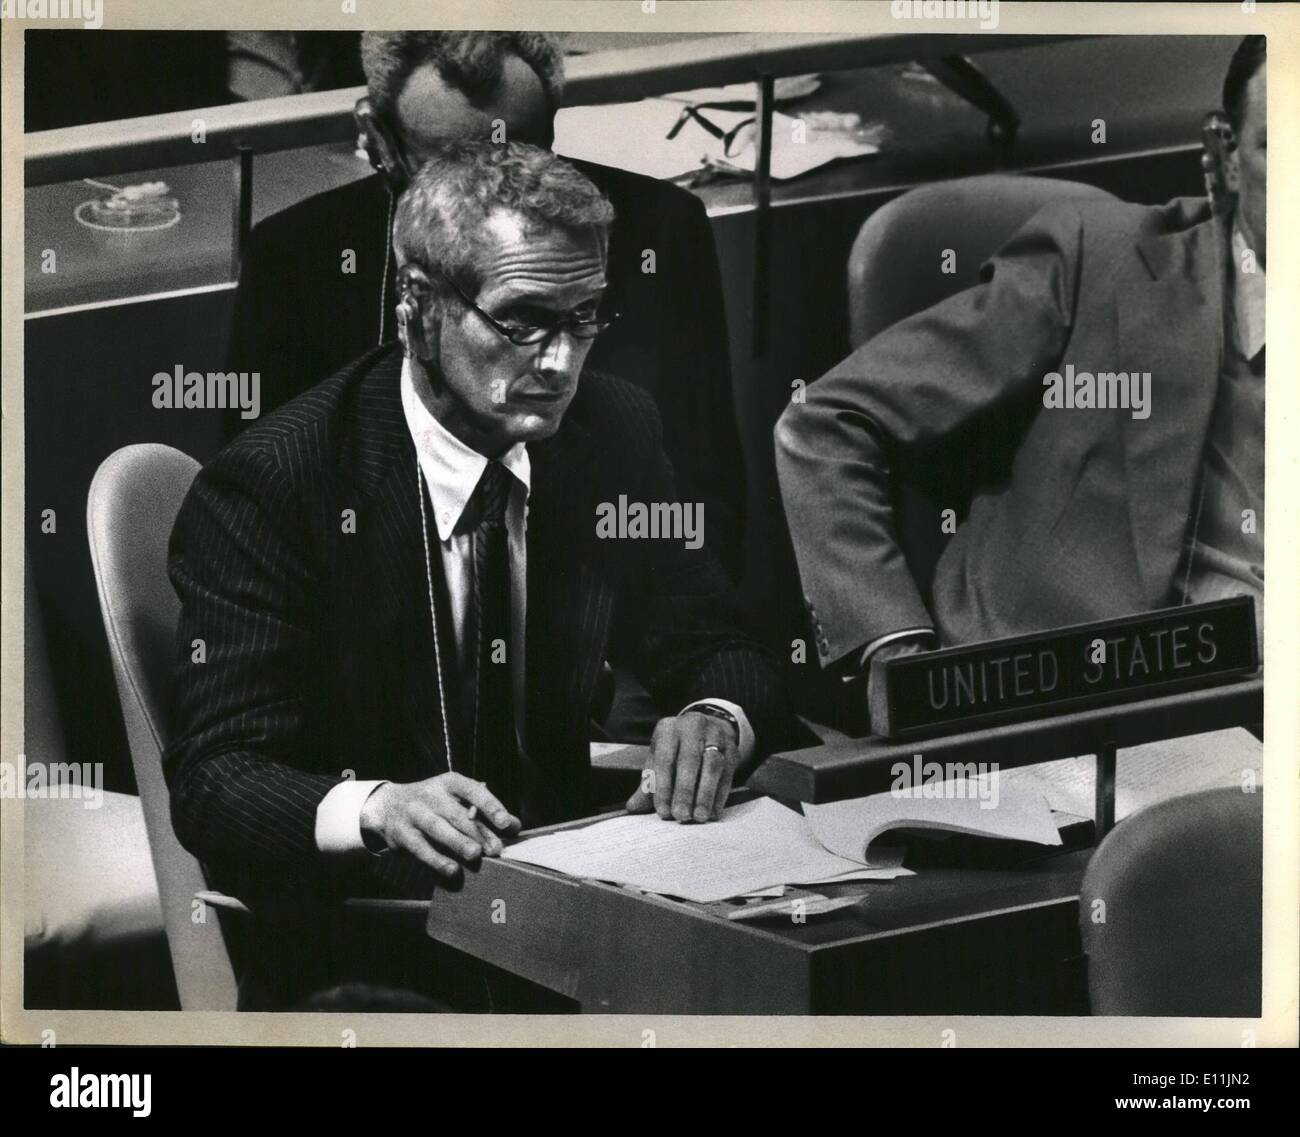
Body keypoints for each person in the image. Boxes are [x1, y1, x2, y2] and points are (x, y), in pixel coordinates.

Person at [167, 141, 793, 1009]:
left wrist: (713, 716)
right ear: (417, 309)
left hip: (580, 927)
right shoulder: (279, 483)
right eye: (523, 321)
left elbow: (724, 643)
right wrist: (378, 804)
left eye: (584, 319)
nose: (561, 363)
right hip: (372, 950)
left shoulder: (611, 431)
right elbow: (217, 779)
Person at [775, 36, 1265, 730]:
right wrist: (896, 656)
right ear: (1228, 156)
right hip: (1079, 721)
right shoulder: (1101, 258)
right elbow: (827, 421)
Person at [226, 30, 745, 580]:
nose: (492, 208)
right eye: (449, 173)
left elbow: (703, 507)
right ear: (378, 141)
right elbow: (256, 515)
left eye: (520, 159)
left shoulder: (658, 234)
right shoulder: (296, 259)